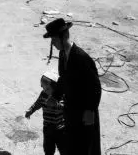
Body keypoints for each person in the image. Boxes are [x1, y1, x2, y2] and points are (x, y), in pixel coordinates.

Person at [42, 18, 102, 155]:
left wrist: (90, 111)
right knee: (73, 144)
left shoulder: (81, 57)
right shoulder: (63, 55)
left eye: (54, 39)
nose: (53, 43)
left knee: (87, 146)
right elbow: (63, 80)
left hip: (85, 111)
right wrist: (55, 96)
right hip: (71, 110)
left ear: (63, 37)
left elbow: (95, 87)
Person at [25, 70, 67, 155]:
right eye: (42, 87)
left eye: (47, 88)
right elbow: (38, 103)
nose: (44, 89)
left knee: (63, 148)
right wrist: (31, 110)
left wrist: (56, 104)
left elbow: (66, 108)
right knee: (48, 149)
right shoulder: (43, 94)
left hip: (60, 128)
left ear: (55, 87)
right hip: (47, 127)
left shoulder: (61, 96)